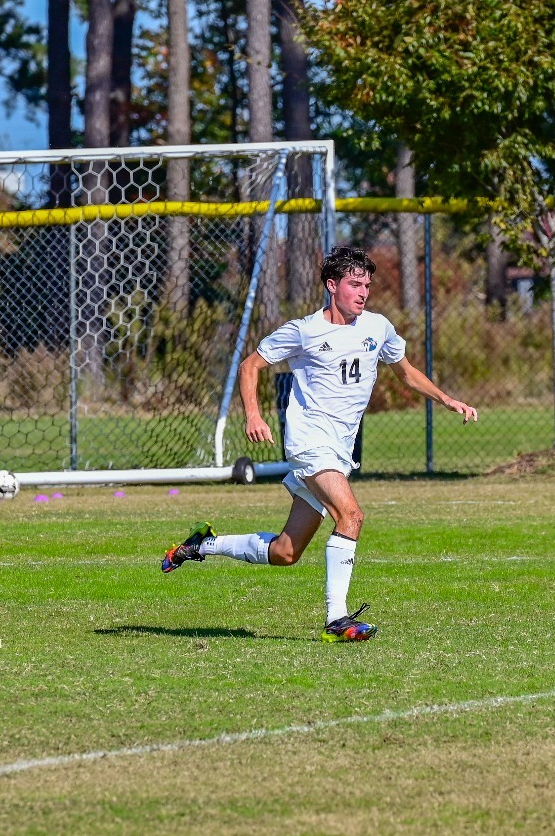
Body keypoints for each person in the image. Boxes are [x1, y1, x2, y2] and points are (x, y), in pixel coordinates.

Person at [160, 245, 479, 640]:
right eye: (354, 284)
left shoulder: (377, 327)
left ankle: (202, 545)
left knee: (285, 552)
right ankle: (337, 619)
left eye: (367, 285)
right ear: (332, 285)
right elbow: (250, 366)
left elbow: (406, 372)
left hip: (339, 451)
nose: (363, 292)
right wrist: (254, 415)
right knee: (352, 516)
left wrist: (446, 399)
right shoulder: (304, 331)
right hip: (310, 442)